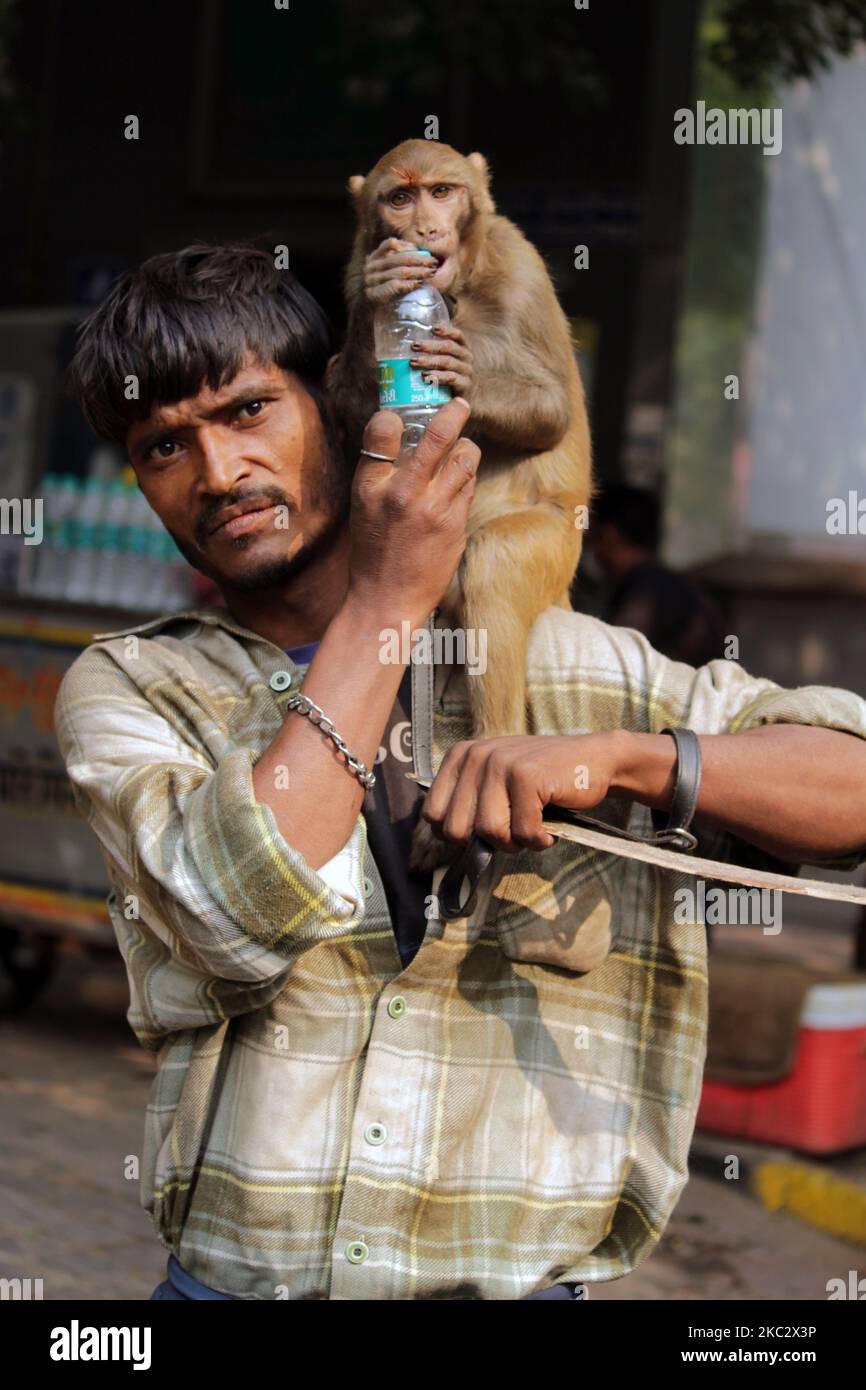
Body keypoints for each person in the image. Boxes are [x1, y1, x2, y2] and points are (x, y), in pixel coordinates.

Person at [56, 243, 866, 1301]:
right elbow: (230, 911)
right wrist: (388, 604)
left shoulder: (565, 662)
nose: (218, 473)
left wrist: (622, 755)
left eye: (249, 410)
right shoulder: (140, 690)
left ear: (340, 405)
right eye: (165, 445)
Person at [586, 484, 726, 667]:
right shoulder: (667, 583)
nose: (591, 549)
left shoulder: (644, 591)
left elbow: (614, 660)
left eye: (592, 536)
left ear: (609, 535)